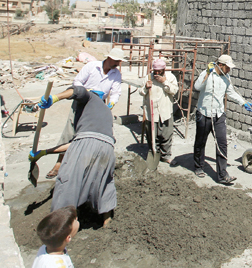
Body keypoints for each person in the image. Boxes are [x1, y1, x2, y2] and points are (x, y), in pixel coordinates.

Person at [30, 84, 117, 227]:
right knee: (103, 182)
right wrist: (44, 152)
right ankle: (107, 220)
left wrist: (55, 98)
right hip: (107, 148)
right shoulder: (106, 112)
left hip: (87, 143)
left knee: (68, 181)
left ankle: (59, 225)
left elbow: (78, 91)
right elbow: (76, 144)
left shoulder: (90, 98)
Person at [45, 47, 125, 179]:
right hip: (82, 102)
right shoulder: (92, 67)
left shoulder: (116, 74)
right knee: (70, 132)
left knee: (95, 134)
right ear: (109, 58)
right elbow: (77, 82)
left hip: (99, 105)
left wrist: (112, 103)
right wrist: (88, 92)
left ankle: (89, 165)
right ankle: (59, 164)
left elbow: (116, 92)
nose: (118, 64)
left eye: (119, 61)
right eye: (116, 61)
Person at [192, 54, 252, 185]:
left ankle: (222, 174)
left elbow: (230, 92)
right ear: (220, 66)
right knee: (200, 142)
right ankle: (198, 167)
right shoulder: (207, 73)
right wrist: (207, 74)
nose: (229, 70)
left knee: (222, 144)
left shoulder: (226, 77)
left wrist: (243, 103)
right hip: (204, 114)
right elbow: (197, 87)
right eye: (227, 67)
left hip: (219, 115)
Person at [136, 58, 179, 164]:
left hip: (165, 111)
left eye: (159, 71)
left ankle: (166, 155)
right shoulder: (148, 77)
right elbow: (140, 92)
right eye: (155, 71)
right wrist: (146, 87)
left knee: (166, 134)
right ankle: (153, 152)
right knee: (151, 135)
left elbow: (174, 91)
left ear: (164, 69)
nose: (157, 73)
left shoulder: (170, 77)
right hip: (152, 113)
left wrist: (164, 82)